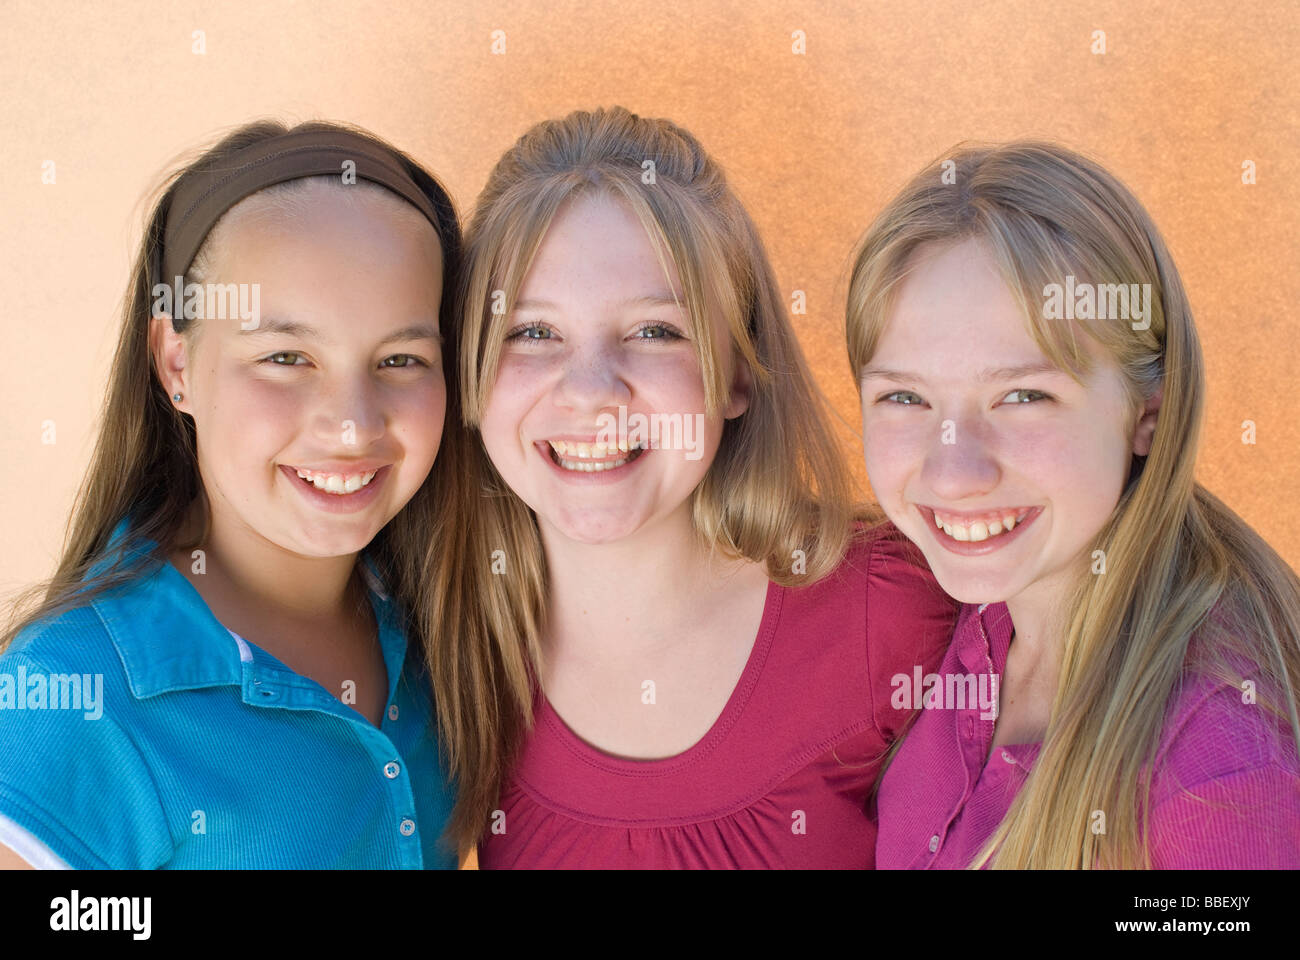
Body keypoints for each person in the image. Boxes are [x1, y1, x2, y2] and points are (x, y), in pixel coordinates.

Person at [455, 106, 958, 868]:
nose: (591, 391)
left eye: (656, 331)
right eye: (532, 332)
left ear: (738, 372)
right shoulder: (436, 644)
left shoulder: (895, 610)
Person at [0, 120, 472, 868]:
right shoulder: (69, 697)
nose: (352, 427)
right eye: (286, 357)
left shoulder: (445, 631)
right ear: (176, 362)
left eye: (401, 358)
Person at [847, 141, 1300, 868]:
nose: (955, 472)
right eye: (906, 396)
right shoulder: (941, 610)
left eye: (1025, 396)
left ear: (1148, 410)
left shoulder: (1224, 775)